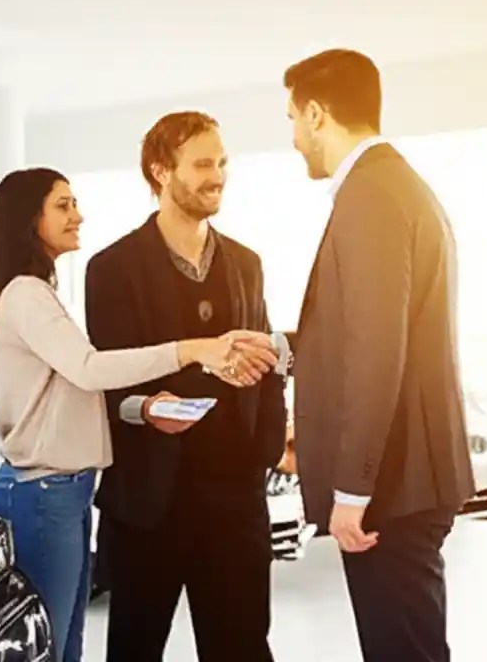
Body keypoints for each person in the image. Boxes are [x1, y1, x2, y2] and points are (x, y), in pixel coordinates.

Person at [0, 166, 277, 662]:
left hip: (62, 492)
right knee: (51, 649)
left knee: (64, 646)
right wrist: (190, 349)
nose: (78, 216)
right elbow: (91, 369)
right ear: (28, 219)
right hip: (45, 492)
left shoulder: (35, 292)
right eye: (63, 205)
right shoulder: (26, 293)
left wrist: (146, 403)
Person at [278, 48, 476, 662]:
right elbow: (370, 329)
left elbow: (376, 348)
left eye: (291, 118)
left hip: (393, 485)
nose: (292, 139)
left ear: (316, 114)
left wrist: (352, 491)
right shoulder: (395, 186)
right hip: (410, 475)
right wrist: (286, 348)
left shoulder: (369, 195)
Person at [84, 112, 289, 662]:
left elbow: (265, 366)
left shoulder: (247, 264)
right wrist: (144, 408)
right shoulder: (111, 268)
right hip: (149, 504)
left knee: (244, 649)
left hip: (235, 501)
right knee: (136, 647)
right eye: (202, 164)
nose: (217, 175)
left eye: (221, 163)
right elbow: (105, 381)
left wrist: (267, 451)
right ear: (160, 171)